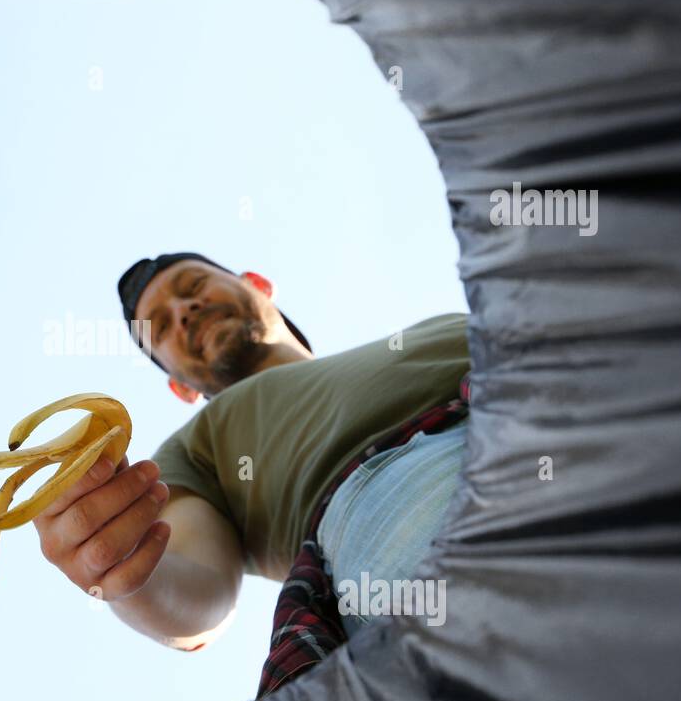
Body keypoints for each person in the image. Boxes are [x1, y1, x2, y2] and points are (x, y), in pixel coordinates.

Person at [29, 252, 471, 653]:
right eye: (161, 327)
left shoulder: (438, 328)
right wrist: (123, 572)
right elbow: (198, 590)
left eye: (192, 288)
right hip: (401, 504)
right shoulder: (196, 447)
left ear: (258, 284)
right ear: (181, 388)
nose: (184, 311)